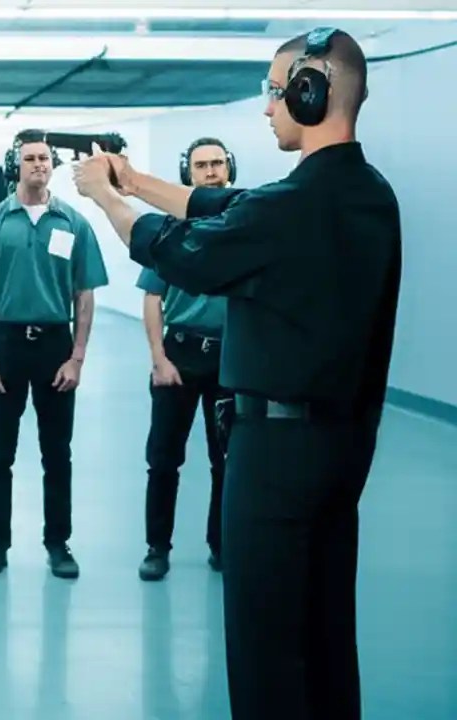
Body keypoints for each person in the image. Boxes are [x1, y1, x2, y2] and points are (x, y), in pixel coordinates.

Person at [73, 27, 398, 720]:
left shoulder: (291, 206)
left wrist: (107, 200)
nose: (267, 109)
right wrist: (133, 179)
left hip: (276, 454)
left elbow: (185, 254)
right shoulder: (366, 194)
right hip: (340, 446)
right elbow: (223, 207)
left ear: (312, 95)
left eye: (277, 92)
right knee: (324, 634)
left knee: (264, 644)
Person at [0, 129, 109, 580]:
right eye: (30, 158)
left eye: (45, 158)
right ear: (16, 165)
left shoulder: (73, 224)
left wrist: (77, 357)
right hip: (5, 344)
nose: (39, 165)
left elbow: (84, 295)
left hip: (54, 346)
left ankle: (58, 543)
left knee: (57, 454)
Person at [136, 137, 235, 581]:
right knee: (164, 457)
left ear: (228, 168)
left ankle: (222, 544)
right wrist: (159, 358)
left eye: (217, 163)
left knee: (227, 459)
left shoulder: (242, 225)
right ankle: (157, 547)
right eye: (201, 166)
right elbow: (153, 299)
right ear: (188, 176)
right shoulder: (174, 227)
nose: (211, 171)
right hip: (178, 353)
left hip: (229, 360)